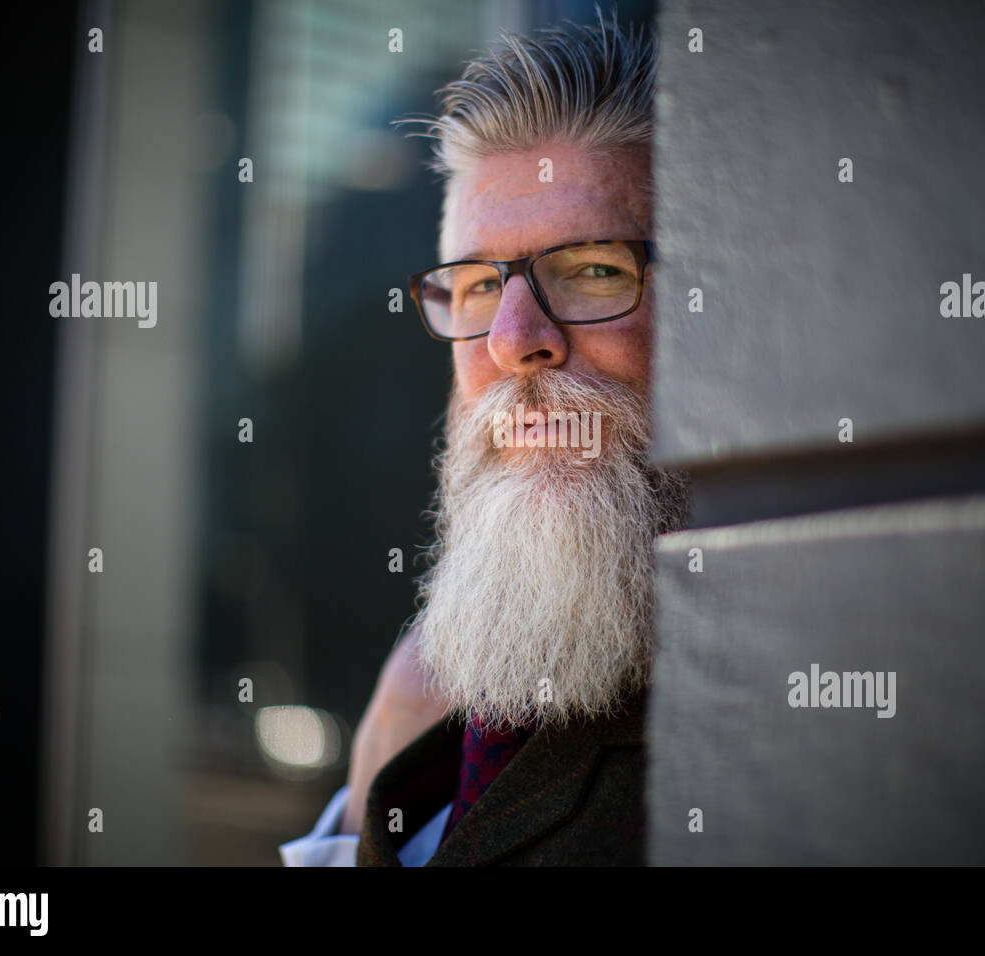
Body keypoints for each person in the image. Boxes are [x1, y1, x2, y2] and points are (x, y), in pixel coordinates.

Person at [280, 12, 687, 867]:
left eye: (592, 270)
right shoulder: (435, 706)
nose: (511, 342)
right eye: (472, 286)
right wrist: (365, 803)